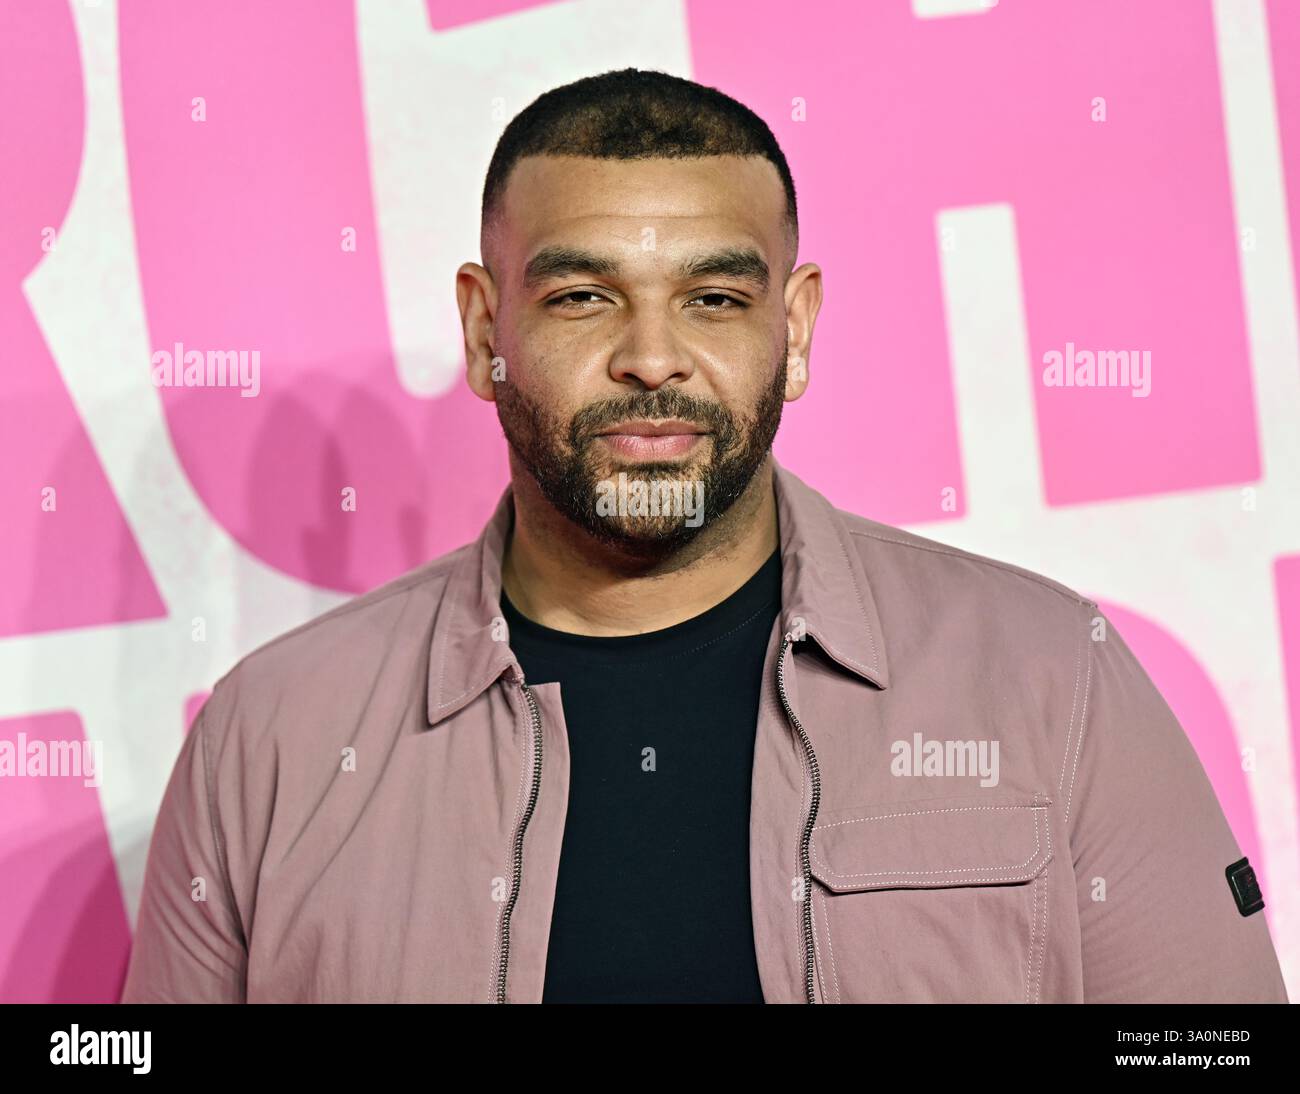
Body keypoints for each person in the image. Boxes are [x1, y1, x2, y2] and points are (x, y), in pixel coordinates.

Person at [120, 67, 1288, 1004]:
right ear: (486, 329)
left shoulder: (1044, 673)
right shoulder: (271, 739)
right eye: (582, 296)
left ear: (794, 327)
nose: (652, 355)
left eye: (715, 299)